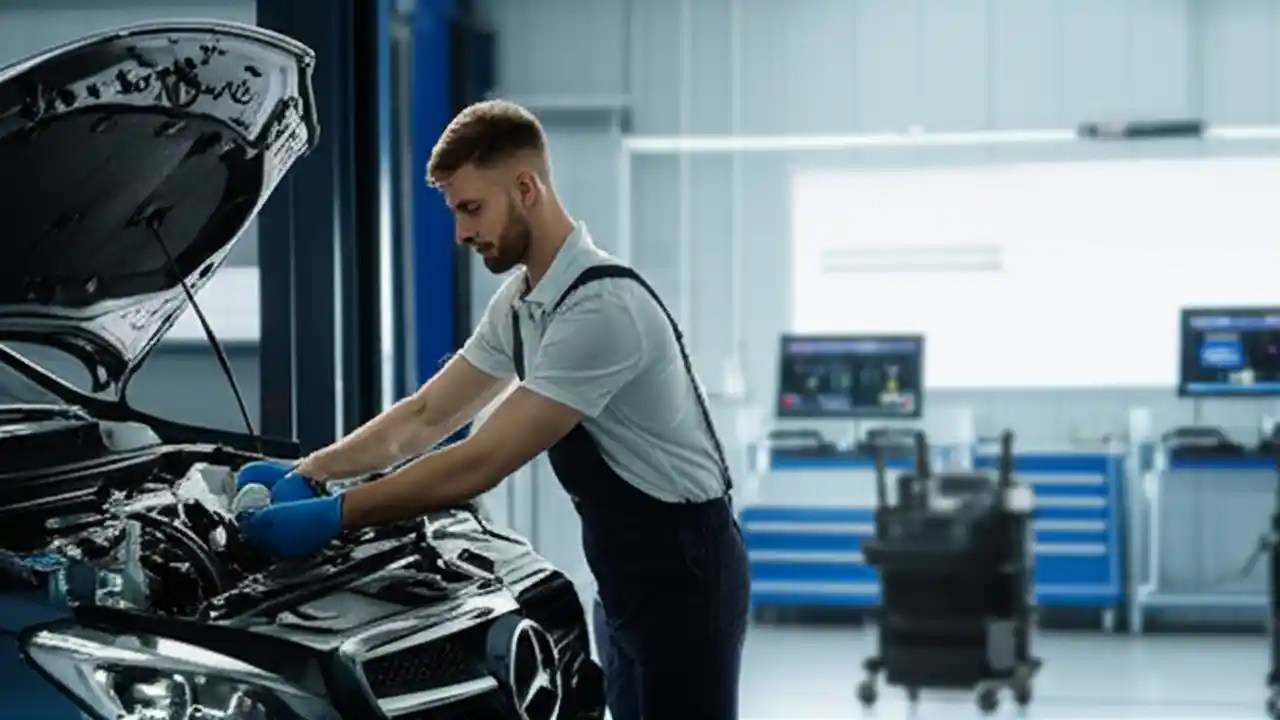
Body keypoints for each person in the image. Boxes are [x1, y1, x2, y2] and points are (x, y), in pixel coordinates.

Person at [235, 99, 750, 719]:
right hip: (625, 574)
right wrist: (316, 470)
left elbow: (480, 461)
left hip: (688, 573)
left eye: (471, 209)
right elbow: (427, 415)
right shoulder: (524, 301)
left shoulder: (601, 310)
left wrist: (337, 516)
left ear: (526, 187)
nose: (460, 233)